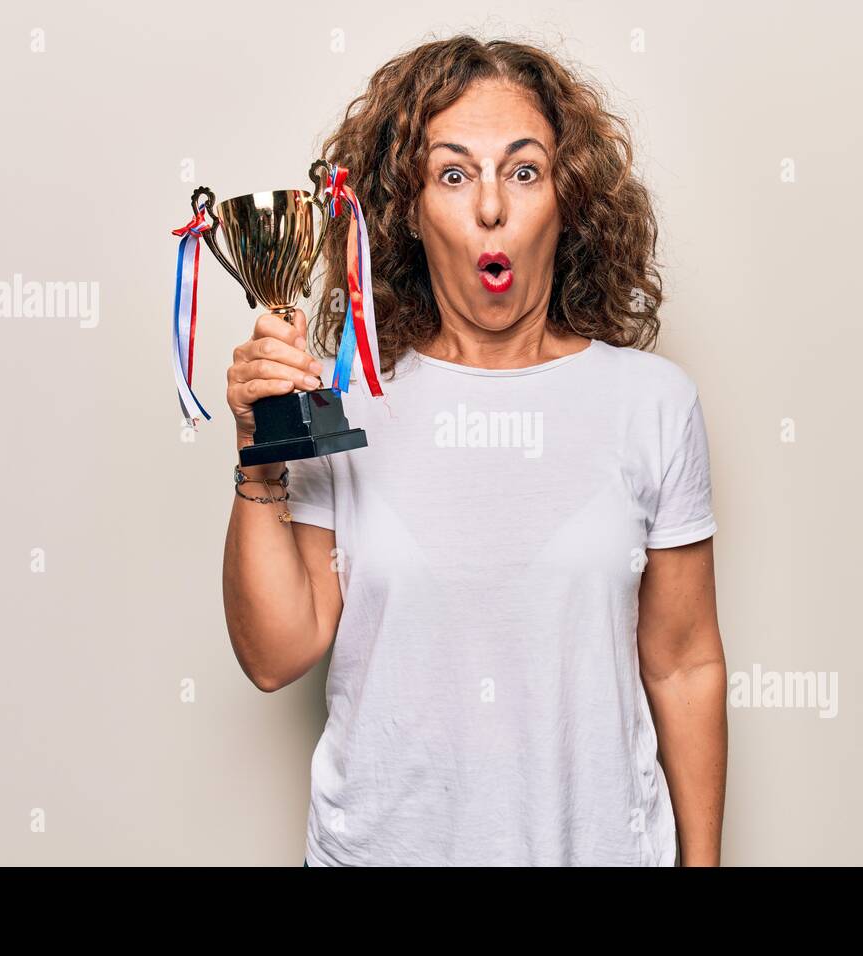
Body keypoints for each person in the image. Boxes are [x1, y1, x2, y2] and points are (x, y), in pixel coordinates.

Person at [221, 35, 726, 867]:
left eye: (523, 171)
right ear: (407, 212)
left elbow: (683, 663)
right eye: (453, 174)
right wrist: (257, 456)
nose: (491, 206)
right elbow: (277, 655)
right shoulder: (343, 400)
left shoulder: (653, 403)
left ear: (567, 201)